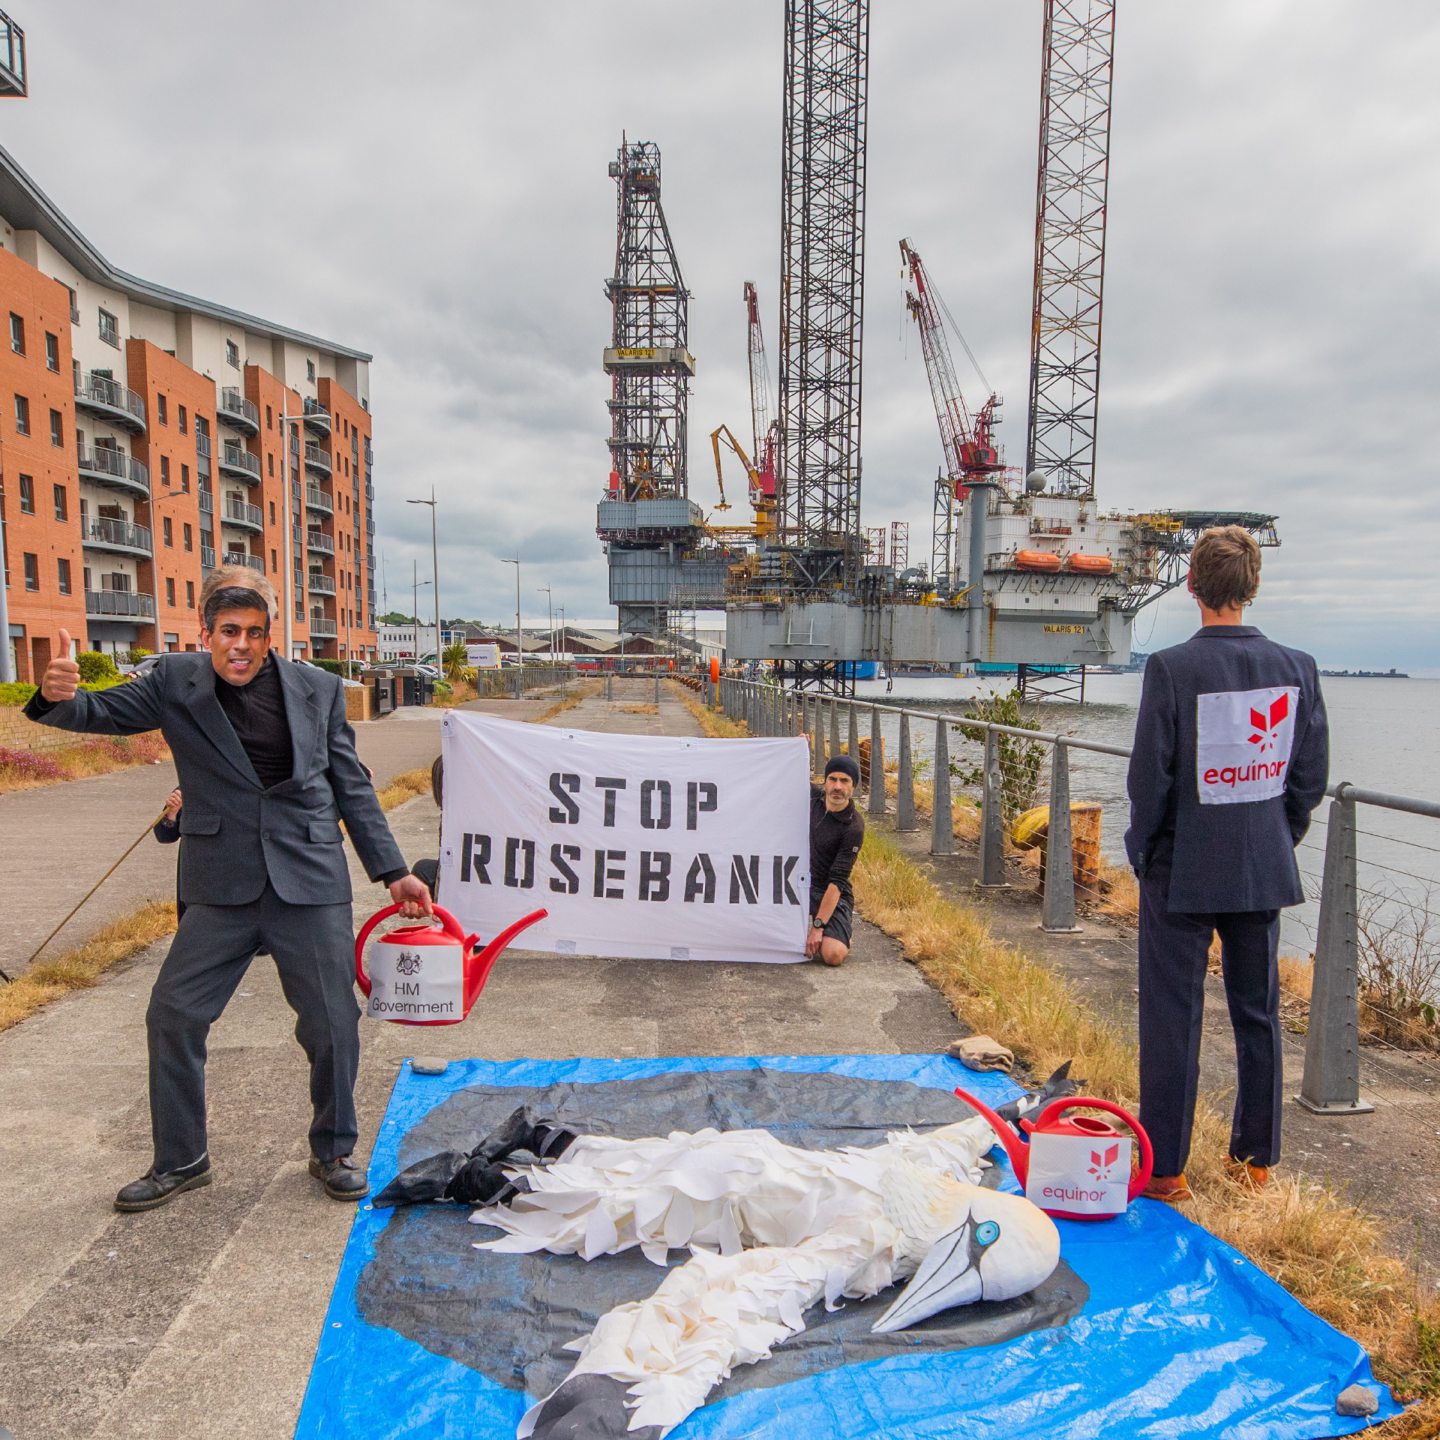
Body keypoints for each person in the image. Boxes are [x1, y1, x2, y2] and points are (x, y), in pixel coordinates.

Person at [25, 585, 432, 1213]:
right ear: (206, 632)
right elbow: (99, 715)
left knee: (331, 1023)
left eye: (253, 632)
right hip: (220, 883)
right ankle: (181, 1160)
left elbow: (351, 784)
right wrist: (57, 698)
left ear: (269, 636)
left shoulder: (316, 689)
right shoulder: (172, 681)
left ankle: (334, 1151)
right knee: (174, 1015)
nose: (239, 645)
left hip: (308, 877)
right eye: (227, 632)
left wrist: (394, 872)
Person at [1124, 525, 1328, 1201]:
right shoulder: (1297, 668)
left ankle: (1167, 1170)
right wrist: (1276, 835)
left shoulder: (1173, 669)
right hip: (1257, 867)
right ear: (1254, 585)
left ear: (1192, 585)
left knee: (1171, 1015)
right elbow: (1307, 777)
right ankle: (1255, 1161)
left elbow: (1149, 778)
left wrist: (1143, 850)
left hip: (1181, 871)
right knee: (1258, 1012)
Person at [808, 754, 865, 966]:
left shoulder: (853, 827)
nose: (837, 787)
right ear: (825, 781)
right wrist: (798, 748)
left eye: (845, 781)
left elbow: (837, 881)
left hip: (828, 889)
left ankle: (841, 933)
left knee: (833, 955)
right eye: (832, 779)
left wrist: (818, 926)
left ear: (853, 787)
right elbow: (785, 774)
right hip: (798, 883)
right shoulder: (812, 798)